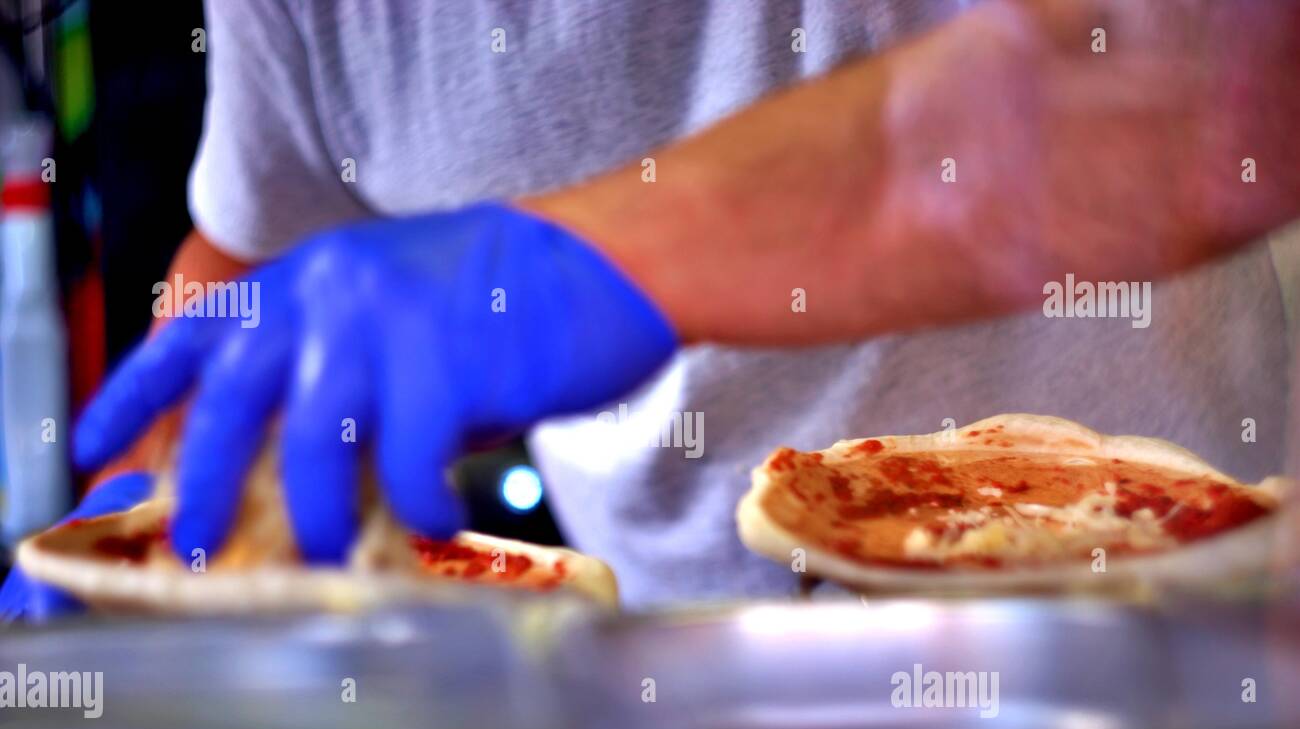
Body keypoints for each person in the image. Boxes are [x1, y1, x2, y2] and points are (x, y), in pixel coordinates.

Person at [11, 0, 1300, 616]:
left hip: (1182, 631)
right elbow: (253, 242)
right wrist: (153, 514)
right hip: (671, 689)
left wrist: (581, 253)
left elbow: (1226, 72)